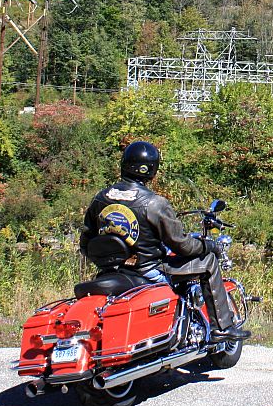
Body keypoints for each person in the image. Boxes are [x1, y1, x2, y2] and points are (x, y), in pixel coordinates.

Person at [79, 140, 250, 342]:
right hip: (149, 269)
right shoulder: (154, 203)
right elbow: (183, 246)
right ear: (152, 169)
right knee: (209, 263)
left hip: (111, 271)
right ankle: (221, 328)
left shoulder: (101, 197)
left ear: (124, 163)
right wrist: (207, 245)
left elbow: (86, 241)